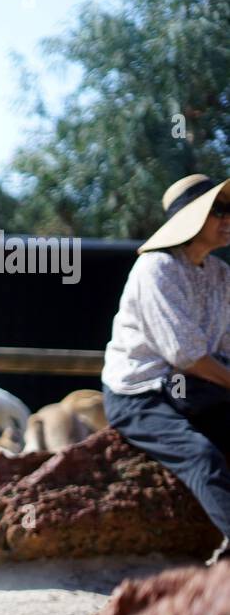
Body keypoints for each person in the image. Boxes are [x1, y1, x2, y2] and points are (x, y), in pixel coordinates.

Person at [103, 174, 230, 564]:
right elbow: (186, 355)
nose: (228, 218)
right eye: (218, 210)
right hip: (141, 392)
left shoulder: (221, 274)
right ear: (192, 218)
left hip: (195, 385)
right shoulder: (156, 269)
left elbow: (223, 349)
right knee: (202, 456)